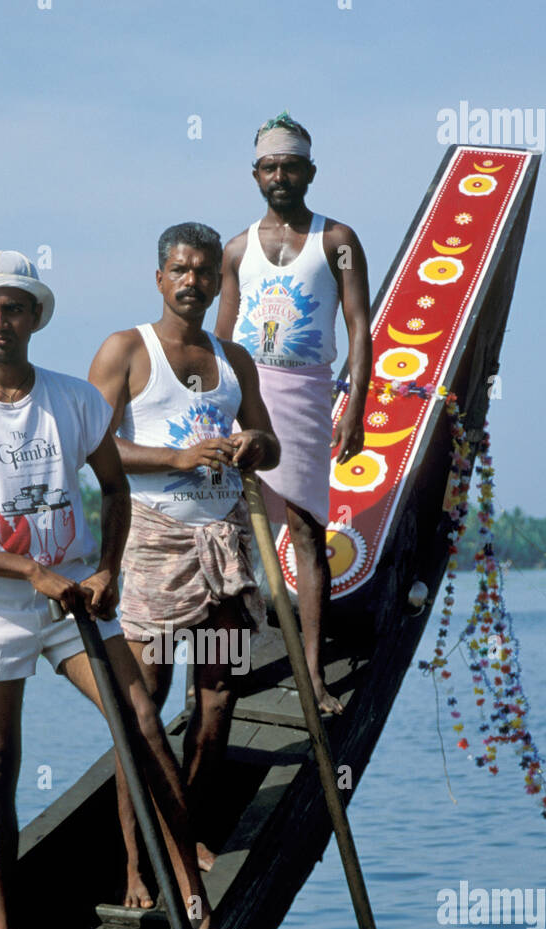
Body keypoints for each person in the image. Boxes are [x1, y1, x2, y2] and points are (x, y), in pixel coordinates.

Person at [0, 250, 212, 929]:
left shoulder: (74, 401)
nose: (0, 321)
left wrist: (105, 569)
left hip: (74, 598)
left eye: (14, 308)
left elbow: (114, 489)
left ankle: (190, 895)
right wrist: (29, 573)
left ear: (36, 318)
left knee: (142, 720)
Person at [88, 223, 279, 909]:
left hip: (223, 546)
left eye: (204, 272)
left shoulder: (234, 360)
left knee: (219, 695)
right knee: (145, 706)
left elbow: (272, 447)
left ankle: (188, 830)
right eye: (180, 269)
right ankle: (136, 864)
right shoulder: (127, 350)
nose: (192, 282)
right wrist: (176, 457)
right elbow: (93, 445)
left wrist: (252, 443)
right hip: (153, 547)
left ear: (217, 283)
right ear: (160, 276)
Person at [216, 112, 373, 715]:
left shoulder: (338, 241)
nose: (279, 176)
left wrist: (354, 406)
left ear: (310, 172)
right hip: (246, 397)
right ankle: (221, 673)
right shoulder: (236, 250)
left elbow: (359, 327)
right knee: (234, 536)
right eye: (269, 167)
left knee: (308, 531)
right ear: (255, 174)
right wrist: (214, 408)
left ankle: (312, 674)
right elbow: (223, 335)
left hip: (308, 398)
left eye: (290, 166)